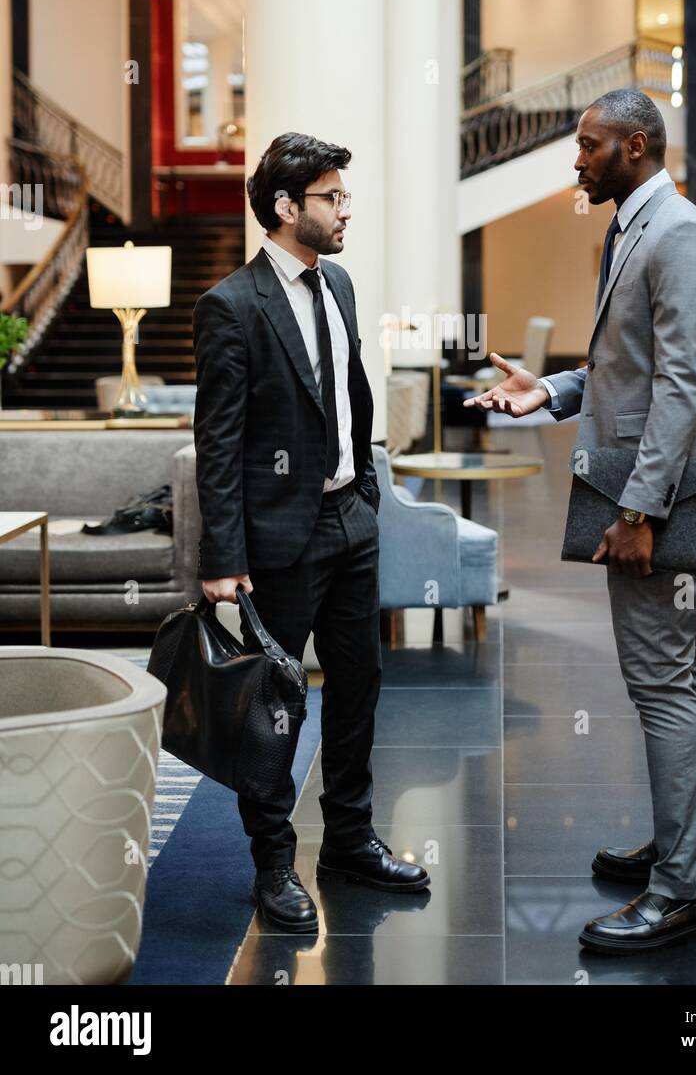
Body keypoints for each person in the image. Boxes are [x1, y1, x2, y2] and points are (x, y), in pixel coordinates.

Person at [465, 89, 696, 953]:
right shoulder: (635, 227)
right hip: (657, 486)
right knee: (679, 674)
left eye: (588, 145)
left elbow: (684, 389)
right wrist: (547, 392)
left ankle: (678, 892)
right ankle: (688, 847)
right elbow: (624, 367)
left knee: (661, 681)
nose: (575, 159)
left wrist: (637, 512)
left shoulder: (681, 235)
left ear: (637, 145)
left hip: (666, 497)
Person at [193, 131, 429, 934]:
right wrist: (222, 557)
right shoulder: (231, 306)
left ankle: (350, 842)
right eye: (331, 197)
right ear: (287, 208)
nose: (344, 208)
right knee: (276, 709)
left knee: (359, 685)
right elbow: (217, 442)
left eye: (343, 194)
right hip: (275, 540)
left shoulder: (342, 285)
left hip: (349, 522)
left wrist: (364, 492)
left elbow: (351, 395)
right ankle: (271, 866)